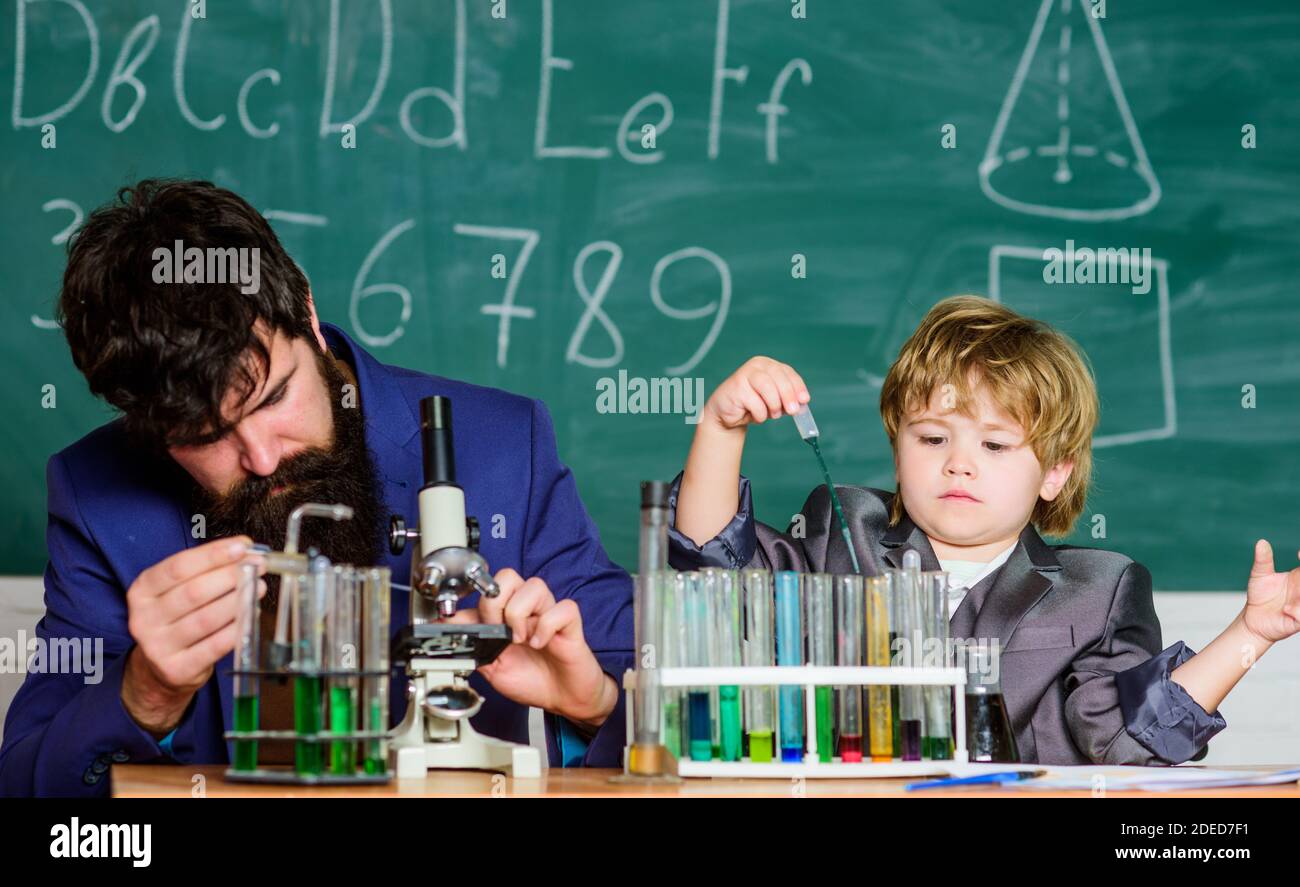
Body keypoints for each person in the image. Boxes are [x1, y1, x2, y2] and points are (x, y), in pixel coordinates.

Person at [0, 179, 632, 797]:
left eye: (275, 397)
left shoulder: (501, 448)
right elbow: (29, 787)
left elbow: (668, 710)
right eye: (202, 437)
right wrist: (145, 695)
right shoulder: (100, 500)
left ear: (305, 308)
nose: (263, 457)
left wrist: (593, 703)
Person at [668, 295, 1300, 764]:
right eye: (933, 437)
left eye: (995, 445)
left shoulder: (1099, 588)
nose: (959, 462)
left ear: (1053, 472)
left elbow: (1132, 738)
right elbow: (714, 571)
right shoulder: (845, 528)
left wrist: (1250, 633)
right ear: (897, 450)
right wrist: (722, 430)